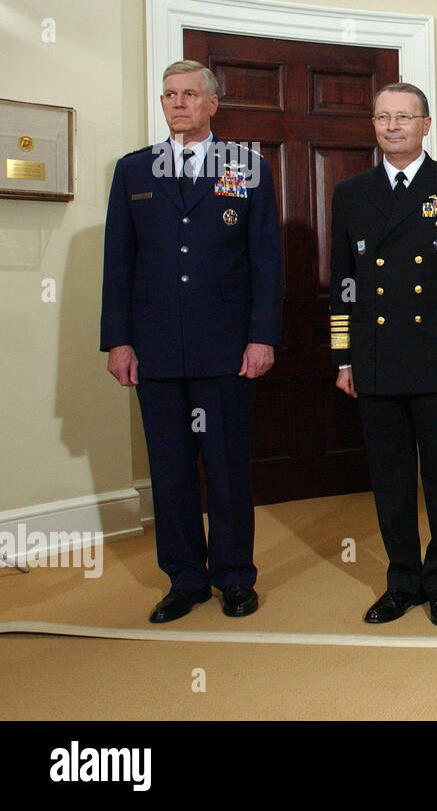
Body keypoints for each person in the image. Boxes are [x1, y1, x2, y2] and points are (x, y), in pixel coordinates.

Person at [100, 60, 283, 623]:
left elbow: (265, 261)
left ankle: (233, 577)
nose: (178, 104)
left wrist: (262, 338)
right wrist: (118, 341)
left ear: (211, 104)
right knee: (170, 469)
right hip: (155, 349)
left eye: (189, 95)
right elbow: (118, 262)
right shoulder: (133, 172)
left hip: (226, 348)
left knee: (226, 467)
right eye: (169, 95)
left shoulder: (246, 168)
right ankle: (184, 578)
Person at [329, 82, 437, 627]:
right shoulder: (351, 194)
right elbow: (344, 283)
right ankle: (402, 580)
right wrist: (344, 357)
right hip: (375, 358)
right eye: (383, 117)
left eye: (404, 117)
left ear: (426, 124)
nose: (393, 126)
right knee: (391, 479)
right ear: (373, 125)